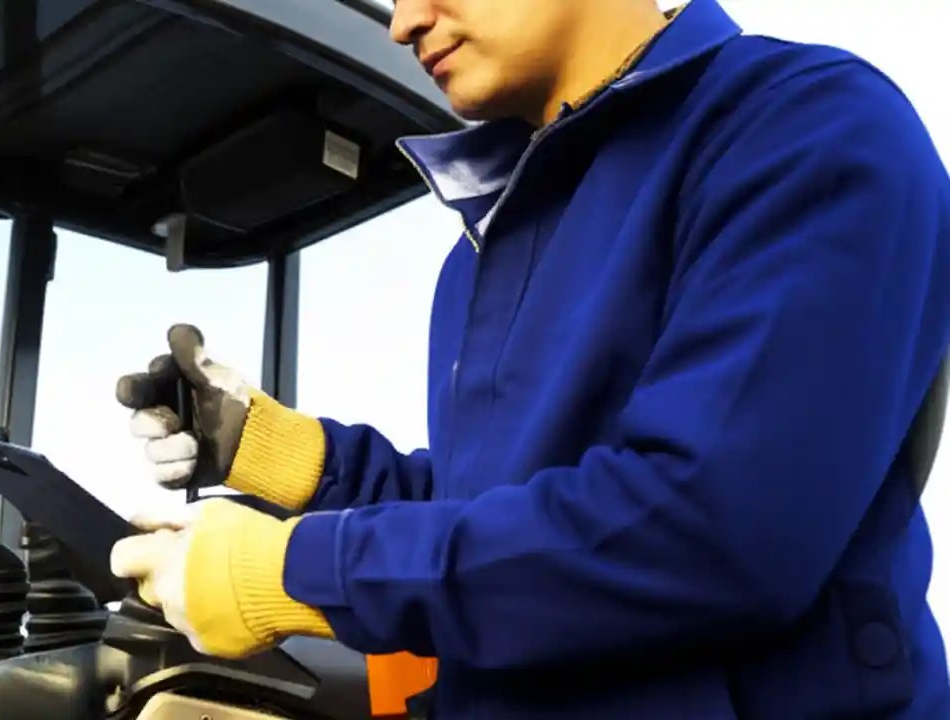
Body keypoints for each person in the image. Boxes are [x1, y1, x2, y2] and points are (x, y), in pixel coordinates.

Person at [109, 0, 950, 716]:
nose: (404, 22)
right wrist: (282, 453)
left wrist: (290, 573)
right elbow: (505, 515)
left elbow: (702, 531)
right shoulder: (480, 253)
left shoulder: (802, 126)